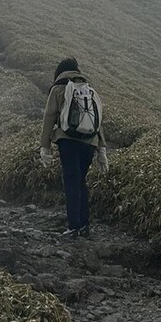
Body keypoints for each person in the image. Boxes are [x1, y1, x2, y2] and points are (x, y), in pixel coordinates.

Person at [39, 57, 108, 238]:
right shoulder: (89, 89)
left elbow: (49, 117)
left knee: (71, 181)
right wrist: (102, 148)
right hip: (89, 142)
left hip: (68, 141)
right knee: (81, 181)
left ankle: (73, 226)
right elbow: (98, 120)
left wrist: (44, 146)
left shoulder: (58, 88)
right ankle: (84, 225)